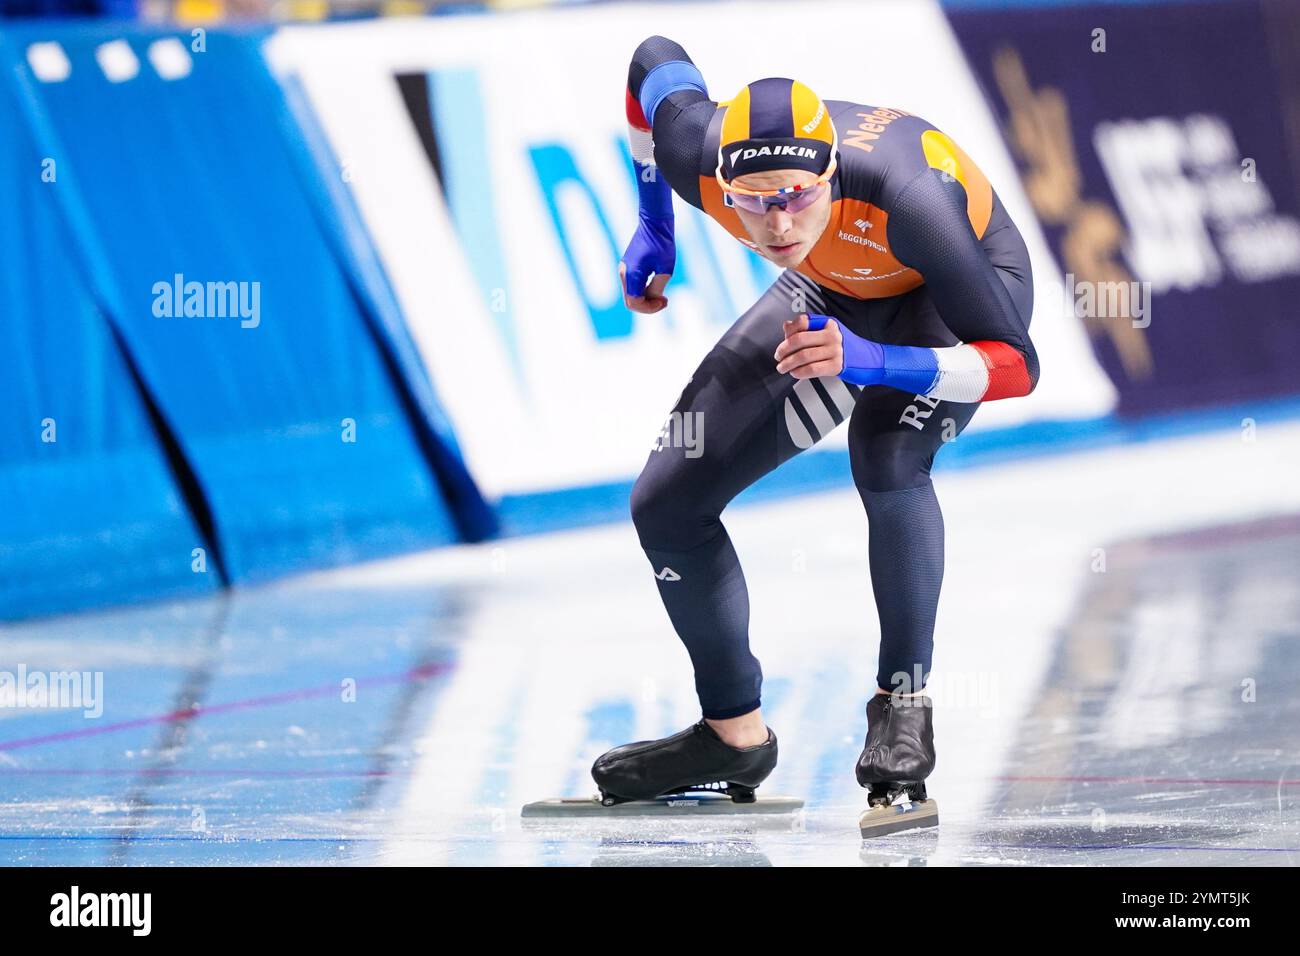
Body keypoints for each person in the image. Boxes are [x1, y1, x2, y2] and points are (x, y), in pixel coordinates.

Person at [591, 36, 1038, 810]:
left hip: (948, 293)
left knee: (886, 453)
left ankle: (903, 708)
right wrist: (655, 222)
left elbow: (1016, 365)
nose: (776, 223)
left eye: (797, 195)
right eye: (753, 201)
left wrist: (872, 361)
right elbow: (651, 60)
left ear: (831, 176)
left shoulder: (912, 200)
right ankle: (732, 736)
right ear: (718, 182)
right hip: (834, 291)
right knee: (665, 503)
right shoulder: (693, 151)